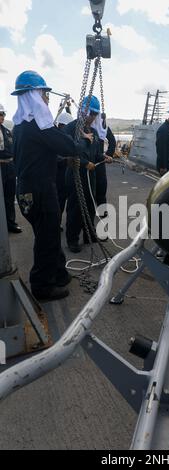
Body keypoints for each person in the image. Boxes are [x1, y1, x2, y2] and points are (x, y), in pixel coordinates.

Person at [12, 70, 84, 302]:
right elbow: (68, 146)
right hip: (41, 191)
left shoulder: (21, 126)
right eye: (44, 94)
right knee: (47, 239)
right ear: (34, 95)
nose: (47, 99)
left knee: (49, 233)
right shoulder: (37, 126)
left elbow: (38, 156)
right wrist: (81, 140)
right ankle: (42, 286)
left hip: (27, 191)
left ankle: (59, 274)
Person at [64, 95, 112, 253]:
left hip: (90, 177)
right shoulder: (71, 128)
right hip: (76, 175)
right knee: (75, 207)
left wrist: (104, 157)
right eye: (90, 113)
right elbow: (68, 151)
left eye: (94, 114)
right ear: (83, 111)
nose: (92, 117)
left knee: (90, 205)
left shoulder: (94, 132)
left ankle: (89, 234)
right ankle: (72, 239)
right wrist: (85, 164)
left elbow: (96, 153)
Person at [0, 104, 22, 234]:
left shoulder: (7, 131)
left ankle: (10, 223)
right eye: (0, 114)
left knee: (9, 196)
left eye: (3, 114)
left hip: (9, 167)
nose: (2, 116)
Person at [56, 112, 74, 224]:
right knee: (59, 200)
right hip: (58, 175)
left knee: (66, 200)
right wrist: (65, 160)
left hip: (68, 174)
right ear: (60, 126)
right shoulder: (55, 137)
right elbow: (54, 156)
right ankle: (56, 223)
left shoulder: (68, 137)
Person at [95, 114, 116, 211]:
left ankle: (101, 209)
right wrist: (109, 154)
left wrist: (108, 155)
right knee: (100, 186)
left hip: (98, 160)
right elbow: (112, 141)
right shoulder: (103, 127)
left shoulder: (103, 128)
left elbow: (112, 141)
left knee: (100, 186)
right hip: (97, 160)